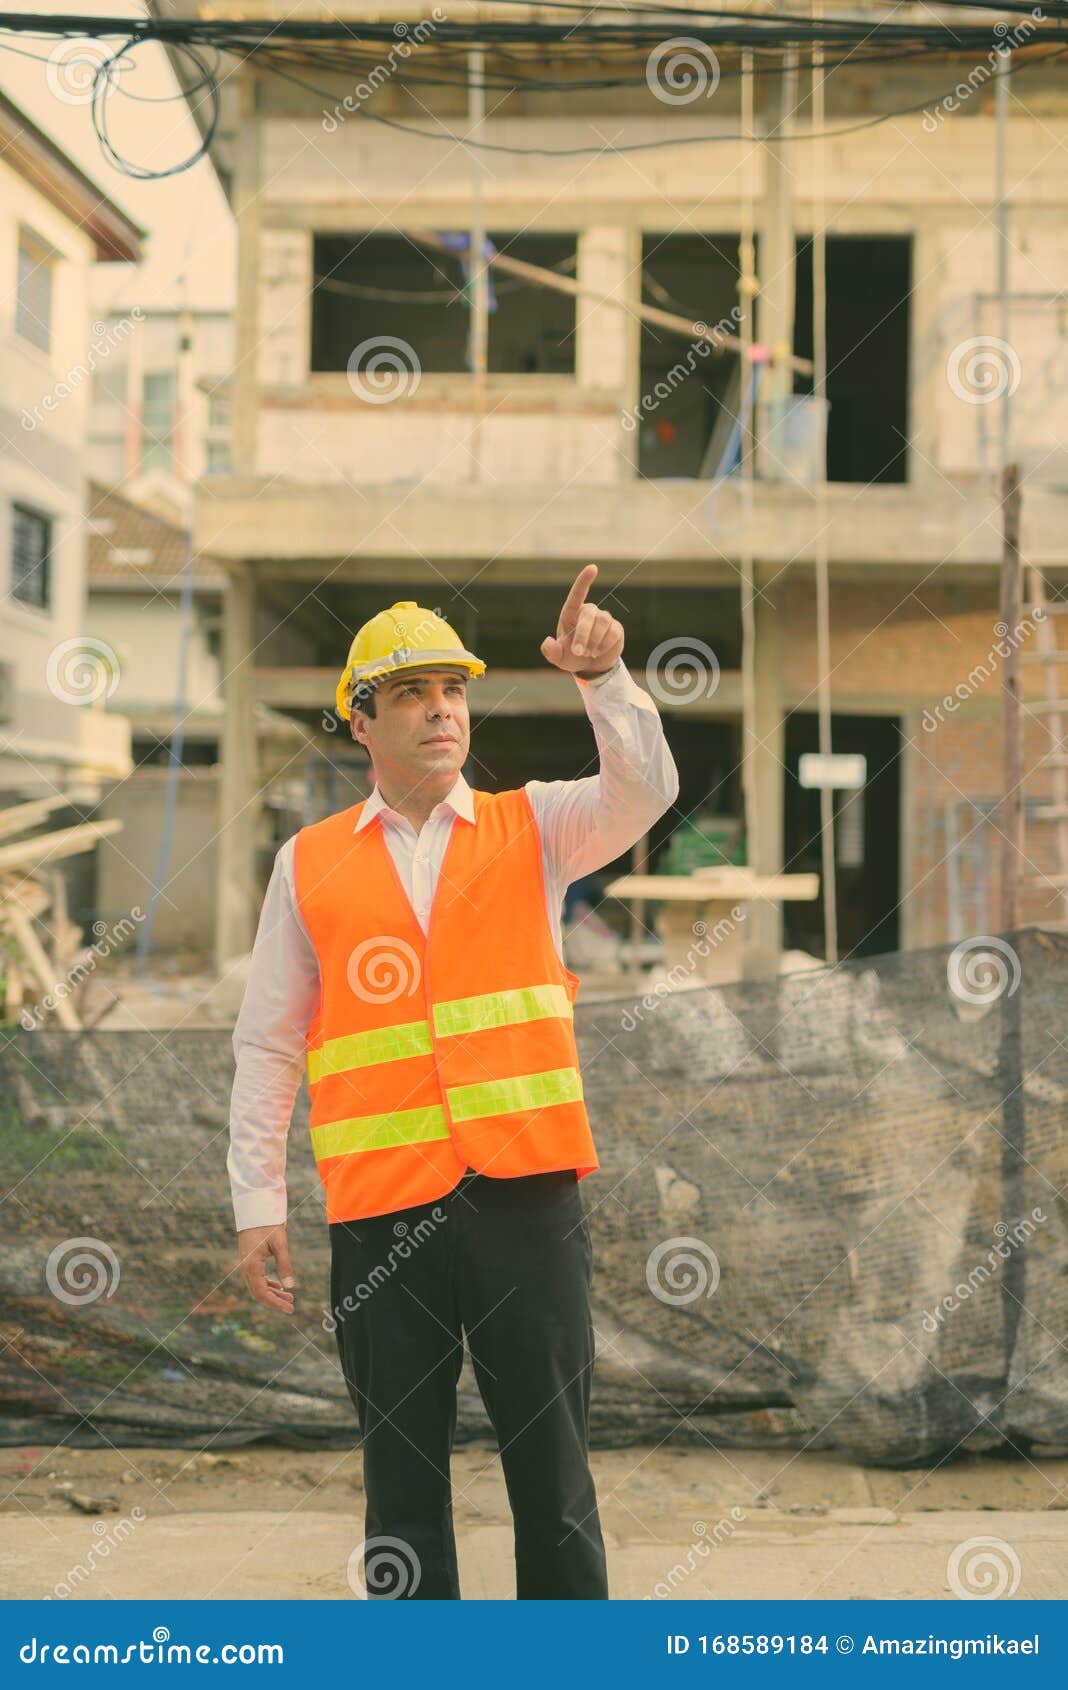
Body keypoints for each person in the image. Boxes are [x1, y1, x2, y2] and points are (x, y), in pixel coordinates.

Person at [228, 565, 679, 1599]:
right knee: (401, 1490)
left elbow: (646, 789)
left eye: (454, 691)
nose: (441, 710)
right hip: (383, 1210)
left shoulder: (537, 827)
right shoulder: (307, 864)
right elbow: (268, 1043)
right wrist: (257, 1199)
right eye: (411, 694)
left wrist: (605, 679)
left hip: (526, 1197)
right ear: (362, 724)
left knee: (554, 1478)